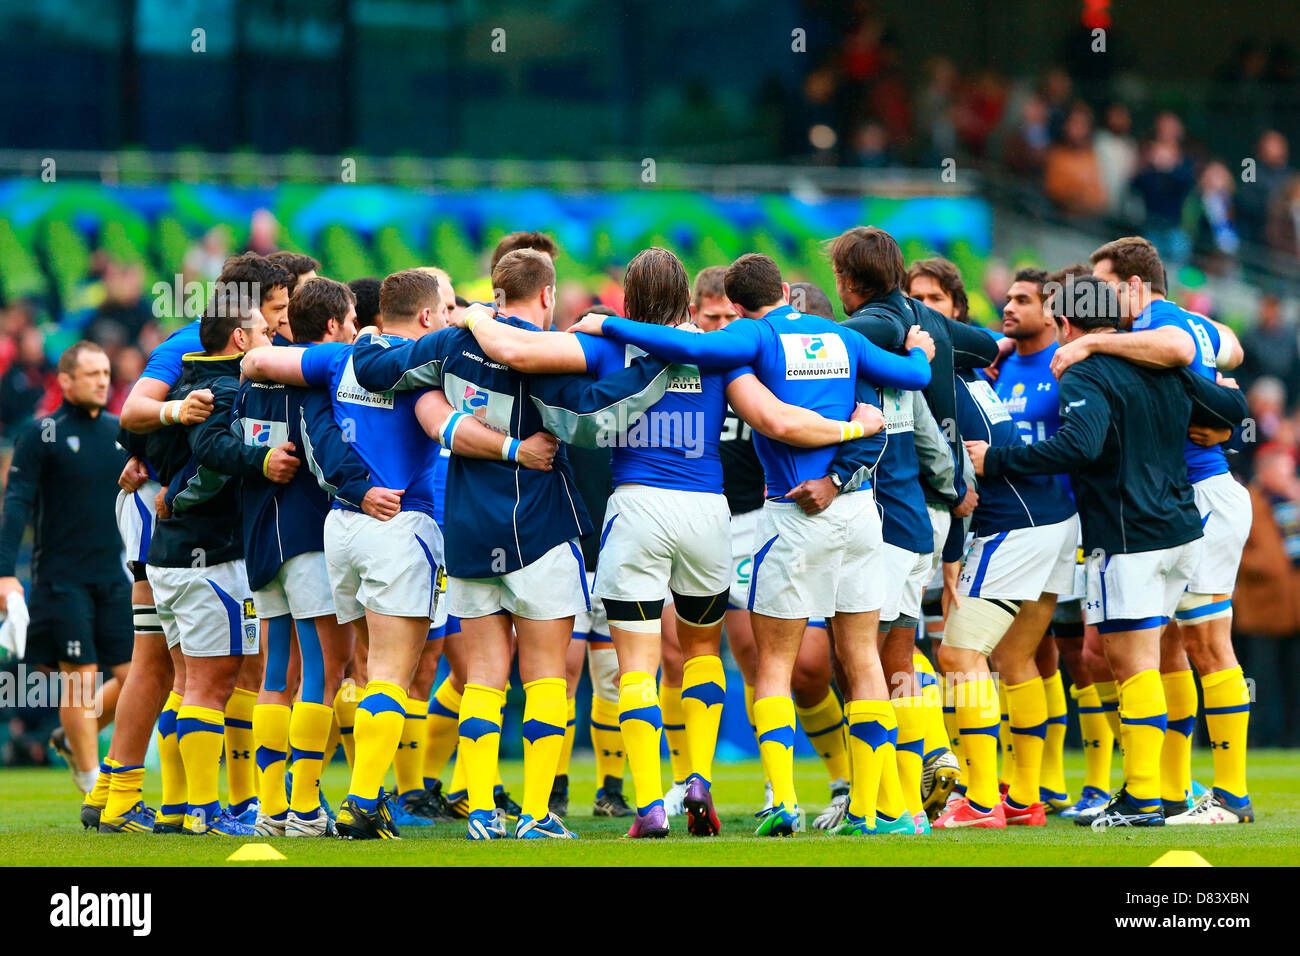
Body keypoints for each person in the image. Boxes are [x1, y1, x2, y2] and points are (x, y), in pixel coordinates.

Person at [454, 250, 881, 837]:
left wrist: (475, 317)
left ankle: (651, 803)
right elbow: (777, 417)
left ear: (628, 300)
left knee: (638, 665)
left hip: (635, 511)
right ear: (687, 299)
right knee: (704, 653)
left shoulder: (607, 344)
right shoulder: (719, 349)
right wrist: (852, 433)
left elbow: (519, 352)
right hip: (708, 513)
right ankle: (699, 779)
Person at [570, 252, 936, 836]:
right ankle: (878, 813)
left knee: (773, 664)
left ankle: (778, 800)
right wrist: (920, 352)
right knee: (861, 657)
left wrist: (606, 321)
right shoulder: (841, 338)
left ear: (736, 309)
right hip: (859, 512)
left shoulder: (748, 341)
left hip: (787, 510)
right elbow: (914, 379)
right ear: (789, 290)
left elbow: (714, 368)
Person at [344, 257, 676, 840]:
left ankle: (479, 814)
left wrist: (379, 333)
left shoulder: (450, 343)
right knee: (547, 675)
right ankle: (537, 816)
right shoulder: (549, 351)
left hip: (468, 531)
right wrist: (657, 365)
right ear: (546, 295)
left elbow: (373, 369)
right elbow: (587, 422)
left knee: (483, 681)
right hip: (538, 527)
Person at [967, 274, 1249, 828]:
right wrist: (1225, 430)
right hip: (1181, 529)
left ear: (1065, 325)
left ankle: (1142, 797)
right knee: (1167, 656)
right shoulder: (1162, 362)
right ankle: (1163, 792)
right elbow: (1229, 405)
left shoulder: (1086, 370)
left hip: (1127, 535)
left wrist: (995, 462)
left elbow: (1080, 444)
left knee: (1134, 664)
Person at [145, 289, 290, 836]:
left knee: (186, 683)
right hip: (209, 556)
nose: (271, 336)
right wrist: (263, 460)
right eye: (264, 329)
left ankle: (178, 806)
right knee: (213, 683)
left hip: (169, 554)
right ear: (239, 339)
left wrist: (159, 477)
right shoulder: (228, 387)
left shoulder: (180, 384)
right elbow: (213, 454)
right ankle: (207, 812)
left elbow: (131, 431)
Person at [0, 342, 131, 798]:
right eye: (91, 373)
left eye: (106, 372)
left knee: (138, 678)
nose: (101, 380)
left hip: (114, 576)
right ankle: (95, 787)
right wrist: (3, 572)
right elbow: (16, 501)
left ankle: (76, 734)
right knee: (78, 676)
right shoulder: (41, 434)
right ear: (66, 380)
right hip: (60, 577)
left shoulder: (121, 431)